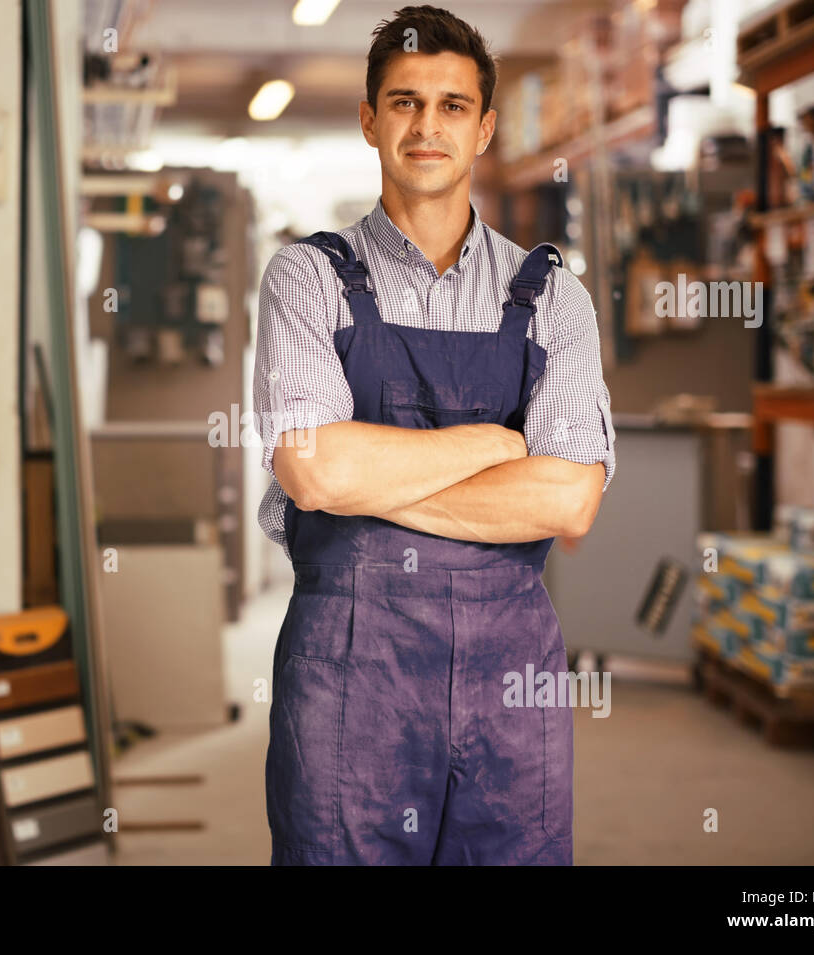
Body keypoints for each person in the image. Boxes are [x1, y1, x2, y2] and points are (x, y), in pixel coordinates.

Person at [253, 4, 617, 865]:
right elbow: (314, 472)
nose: (427, 125)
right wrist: (499, 444)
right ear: (370, 119)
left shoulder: (554, 299)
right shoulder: (309, 279)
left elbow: (569, 498)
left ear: (484, 128)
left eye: (452, 105)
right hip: (349, 676)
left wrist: (371, 474)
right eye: (405, 101)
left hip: (510, 687)